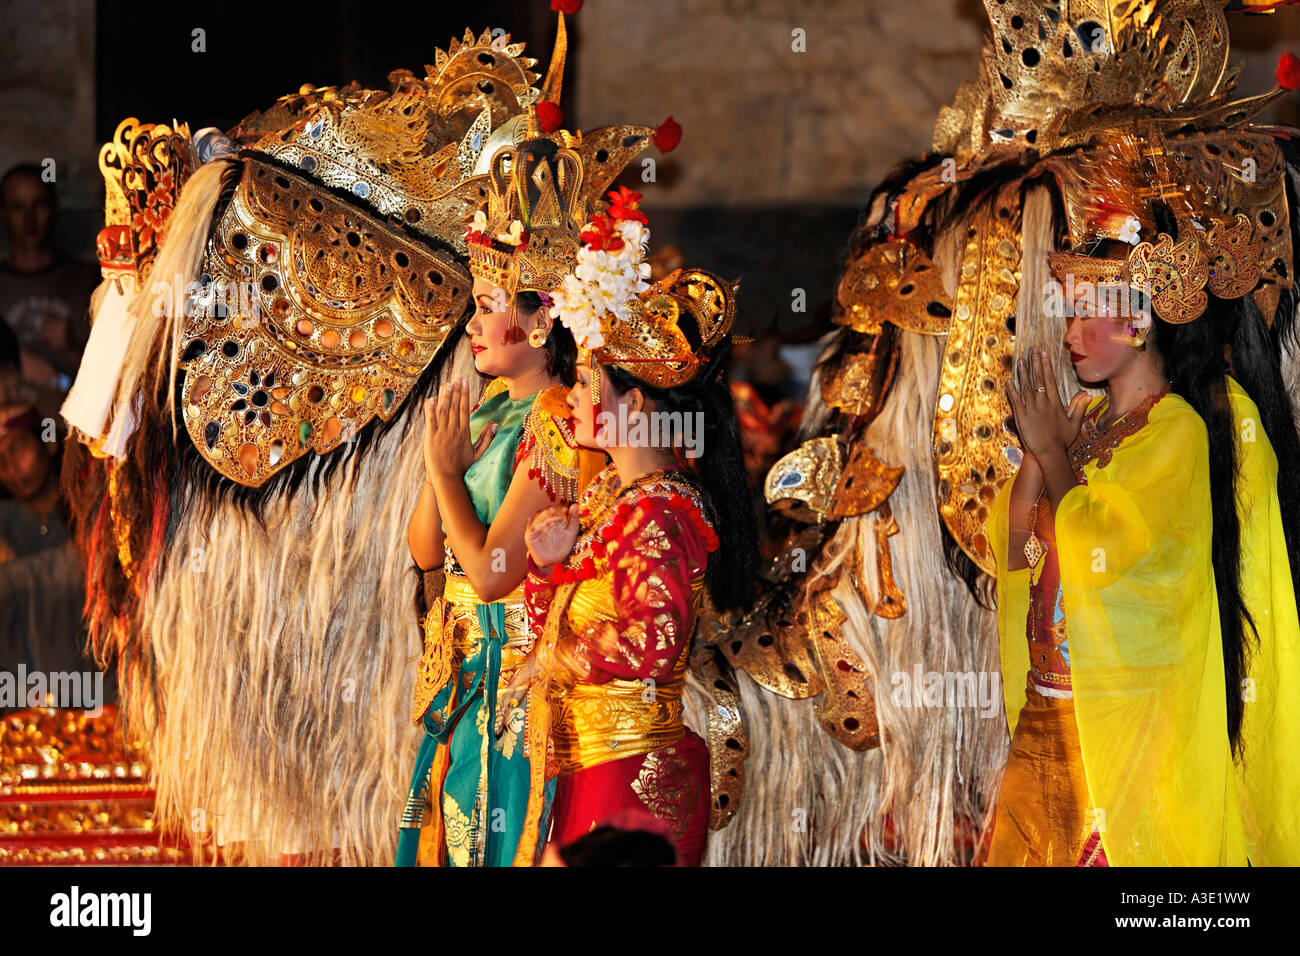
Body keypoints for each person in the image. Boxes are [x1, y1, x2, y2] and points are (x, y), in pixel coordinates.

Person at [985, 181, 1300, 866]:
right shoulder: (1095, 422)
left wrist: (1048, 453)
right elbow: (1014, 551)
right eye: (1068, 316)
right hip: (1051, 715)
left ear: (1140, 321)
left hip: (1125, 721)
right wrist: (1046, 459)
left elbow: (1102, 549)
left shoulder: (1179, 431)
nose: (1070, 335)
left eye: (1086, 315)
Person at [518, 203, 759, 865]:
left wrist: (556, 657)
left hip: (630, 780)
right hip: (591, 768)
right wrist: (546, 570)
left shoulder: (659, 513)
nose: (571, 396)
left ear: (637, 406)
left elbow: (652, 646)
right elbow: (554, 626)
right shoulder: (612, 499)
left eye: (588, 384)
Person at [396, 132, 607, 867]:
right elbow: (427, 552)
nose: (472, 323)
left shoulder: (555, 421)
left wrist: (449, 476)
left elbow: (492, 574)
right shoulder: (488, 405)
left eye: (488, 306)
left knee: (501, 840)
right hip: (465, 670)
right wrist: (437, 464)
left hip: (517, 676)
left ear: (543, 319)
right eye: (475, 305)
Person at [0, 403, 100, 702]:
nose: (11, 467)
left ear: (50, 444)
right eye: (0, 459)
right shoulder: (4, 524)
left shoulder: (88, 508)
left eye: (19, 448)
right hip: (27, 695)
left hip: (99, 680)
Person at [0, 164, 98, 401]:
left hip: (72, 425)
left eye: (39, 205)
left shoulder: (87, 280)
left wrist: (72, 350)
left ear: (54, 208)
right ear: (2, 212)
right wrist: (16, 361)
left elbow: (117, 373)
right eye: (18, 207)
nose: (29, 219)